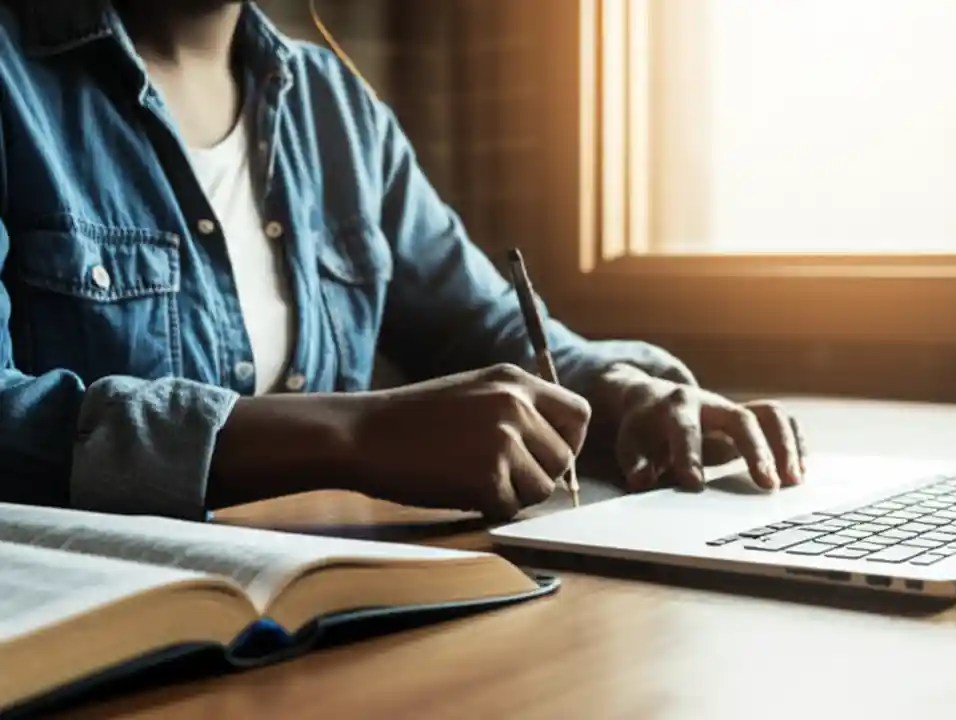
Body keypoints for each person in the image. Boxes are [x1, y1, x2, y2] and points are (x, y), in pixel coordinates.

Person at [0, 0, 804, 522]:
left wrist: (624, 390)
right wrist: (356, 434)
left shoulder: (338, 112)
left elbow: (479, 324)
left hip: (326, 601)